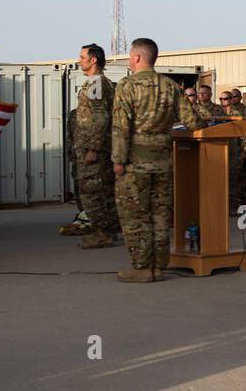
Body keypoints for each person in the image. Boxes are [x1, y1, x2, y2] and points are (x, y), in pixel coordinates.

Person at [111, 38, 196, 282]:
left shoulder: (127, 85)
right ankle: (158, 266)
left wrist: (118, 159)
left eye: (130, 55)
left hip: (135, 162)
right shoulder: (170, 86)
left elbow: (121, 126)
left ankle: (141, 268)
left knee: (135, 216)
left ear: (137, 57)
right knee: (160, 215)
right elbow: (191, 120)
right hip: (163, 160)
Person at [73, 43, 119, 249]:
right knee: (104, 190)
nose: (79, 60)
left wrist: (92, 148)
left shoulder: (95, 83)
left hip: (94, 149)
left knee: (91, 191)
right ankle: (108, 231)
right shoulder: (100, 82)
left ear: (93, 60)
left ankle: (103, 233)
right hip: (100, 146)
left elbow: (100, 117)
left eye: (82, 57)